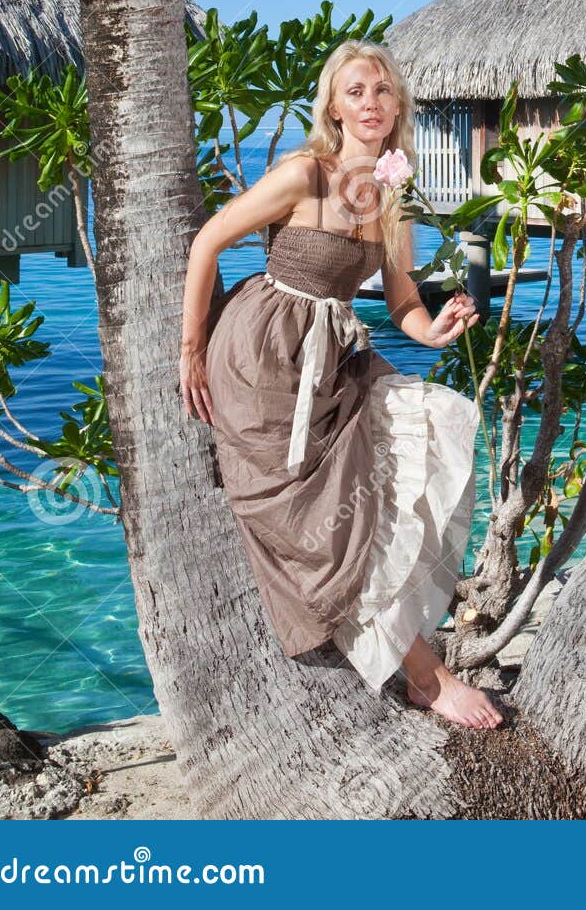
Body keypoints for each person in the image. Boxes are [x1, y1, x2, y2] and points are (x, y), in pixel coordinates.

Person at [179, 39, 503, 729]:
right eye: (355, 91)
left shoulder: (391, 189)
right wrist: (191, 349)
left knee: (435, 421)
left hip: (333, 356)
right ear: (332, 104)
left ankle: (413, 647)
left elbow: (401, 299)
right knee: (323, 521)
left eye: (382, 91)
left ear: (397, 106)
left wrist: (436, 328)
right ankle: (427, 674)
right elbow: (208, 240)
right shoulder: (305, 173)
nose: (371, 103)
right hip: (263, 354)